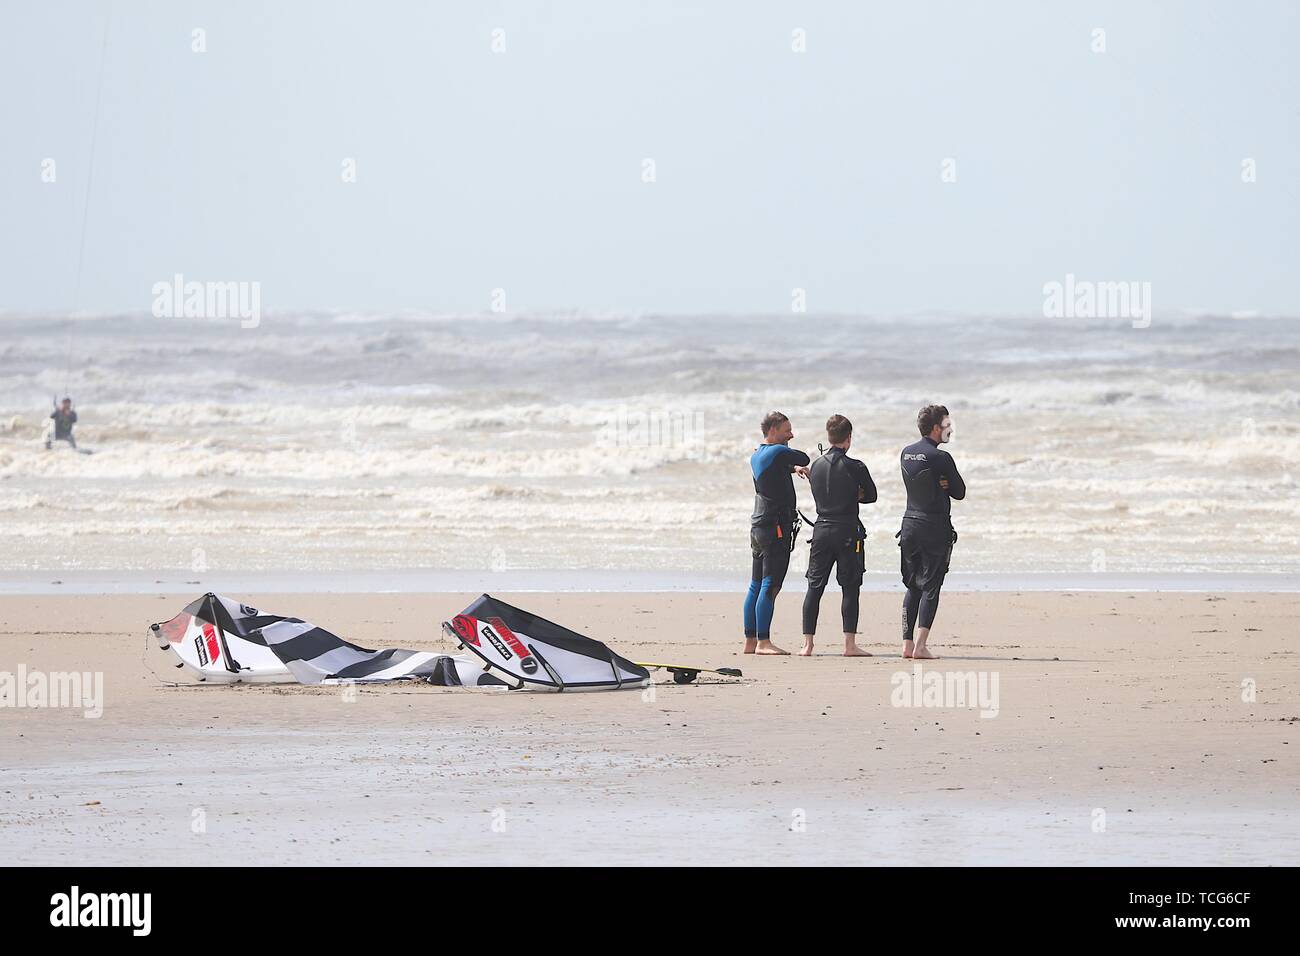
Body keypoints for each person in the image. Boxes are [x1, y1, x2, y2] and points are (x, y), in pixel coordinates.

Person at [800, 415, 877, 657]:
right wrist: (857, 494)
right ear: (849, 438)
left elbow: (819, 492)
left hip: (821, 530)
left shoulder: (816, 466)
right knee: (850, 587)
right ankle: (849, 645)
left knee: (814, 587)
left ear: (829, 437)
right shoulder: (856, 466)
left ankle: (807, 645)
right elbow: (872, 496)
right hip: (846, 531)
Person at [898, 404, 965, 659]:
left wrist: (941, 483)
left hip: (909, 525)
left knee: (912, 585)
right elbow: (960, 491)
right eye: (946, 425)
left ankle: (906, 645)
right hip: (934, 526)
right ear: (936, 428)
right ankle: (921, 646)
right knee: (931, 586)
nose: (949, 429)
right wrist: (945, 484)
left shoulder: (906, 453)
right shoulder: (941, 458)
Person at [742, 411, 810, 655]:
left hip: (759, 524)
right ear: (772, 430)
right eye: (786, 430)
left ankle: (750, 641)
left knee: (755, 583)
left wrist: (793, 469)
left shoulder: (758, 454)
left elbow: (774, 471)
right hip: (775, 528)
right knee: (770, 584)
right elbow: (803, 456)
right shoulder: (778, 452)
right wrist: (798, 463)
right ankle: (764, 642)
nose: (791, 434)